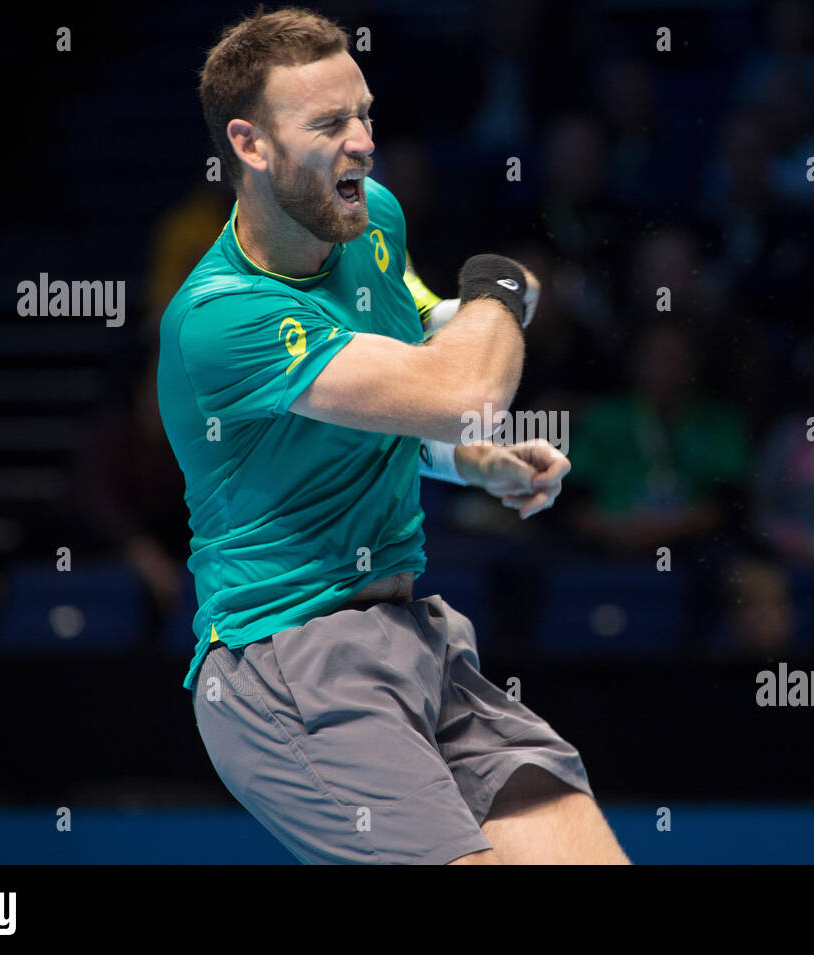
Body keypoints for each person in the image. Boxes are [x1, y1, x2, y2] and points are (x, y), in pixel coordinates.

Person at [157, 7, 629, 865]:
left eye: (365, 113)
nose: (364, 142)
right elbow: (462, 385)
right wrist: (502, 288)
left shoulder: (372, 218)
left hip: (417, 636)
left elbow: (417, 368)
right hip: (288, 662)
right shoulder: (220, 320)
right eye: (330, 123)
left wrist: (476, 461)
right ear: (251, 144)